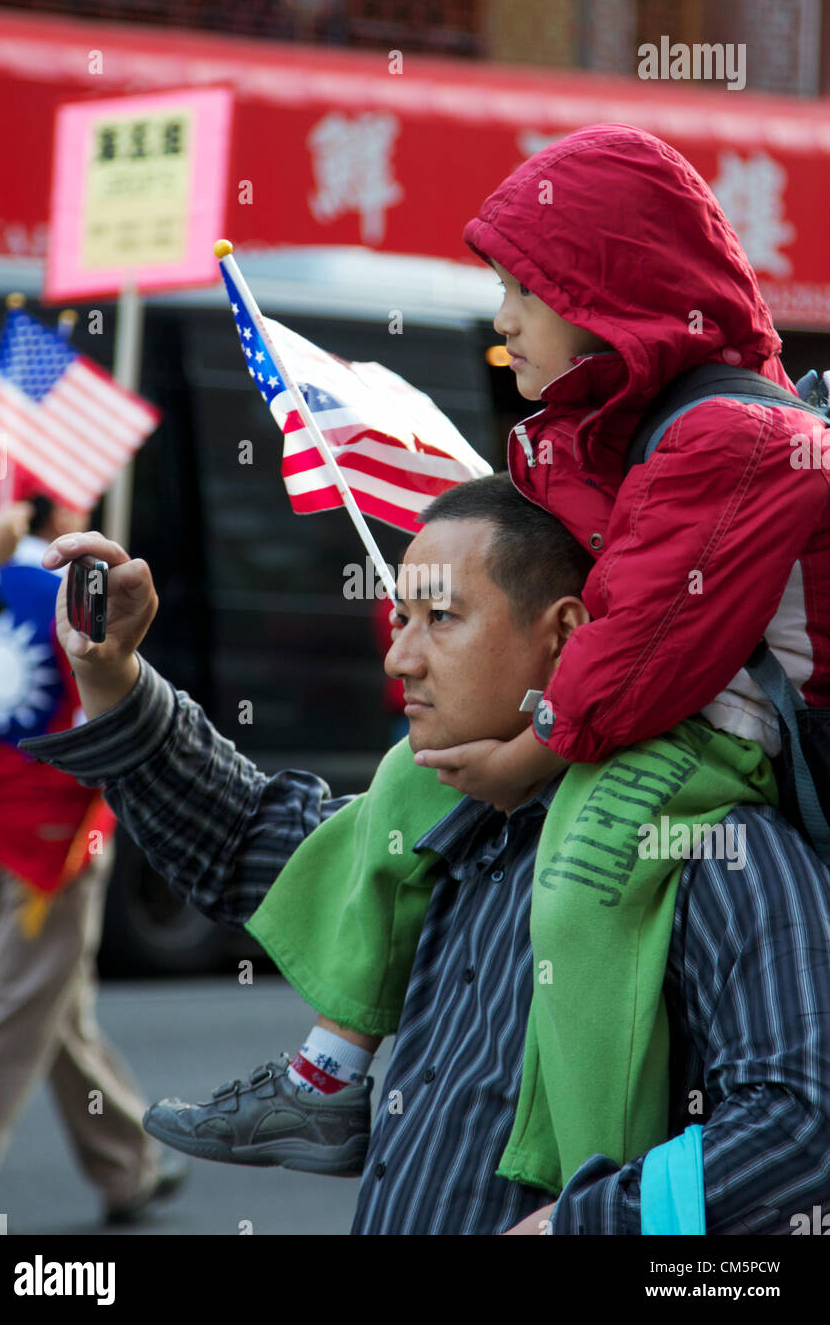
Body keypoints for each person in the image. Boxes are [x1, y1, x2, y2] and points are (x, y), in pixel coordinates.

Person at [126, 122, 830, 1191]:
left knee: (579, 884)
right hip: (629, 711)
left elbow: (637, 642)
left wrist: (531, 751)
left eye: (521, 294)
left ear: (607, 295)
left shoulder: (730, 439)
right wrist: (112, 697)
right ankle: (324, 1079)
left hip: (722, 732)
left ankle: (584, 1168)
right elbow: (261, 837)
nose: (501, 326)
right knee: (403, 780)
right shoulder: (628, 429)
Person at [20, 475, 830, 1234]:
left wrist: (587, 1222)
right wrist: (113, 670)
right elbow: (245, 842)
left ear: (565, 635)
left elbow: (801, 1123)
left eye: (439, 619)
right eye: (400, 620)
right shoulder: (443, 815)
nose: (400, 657)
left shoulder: (718, 851)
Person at [0, 491, 186, 1225]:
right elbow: (105, 719)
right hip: (55, 836)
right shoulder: (59, 599)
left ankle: (126, 1164)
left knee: (53, 1003)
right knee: (18, 1004)